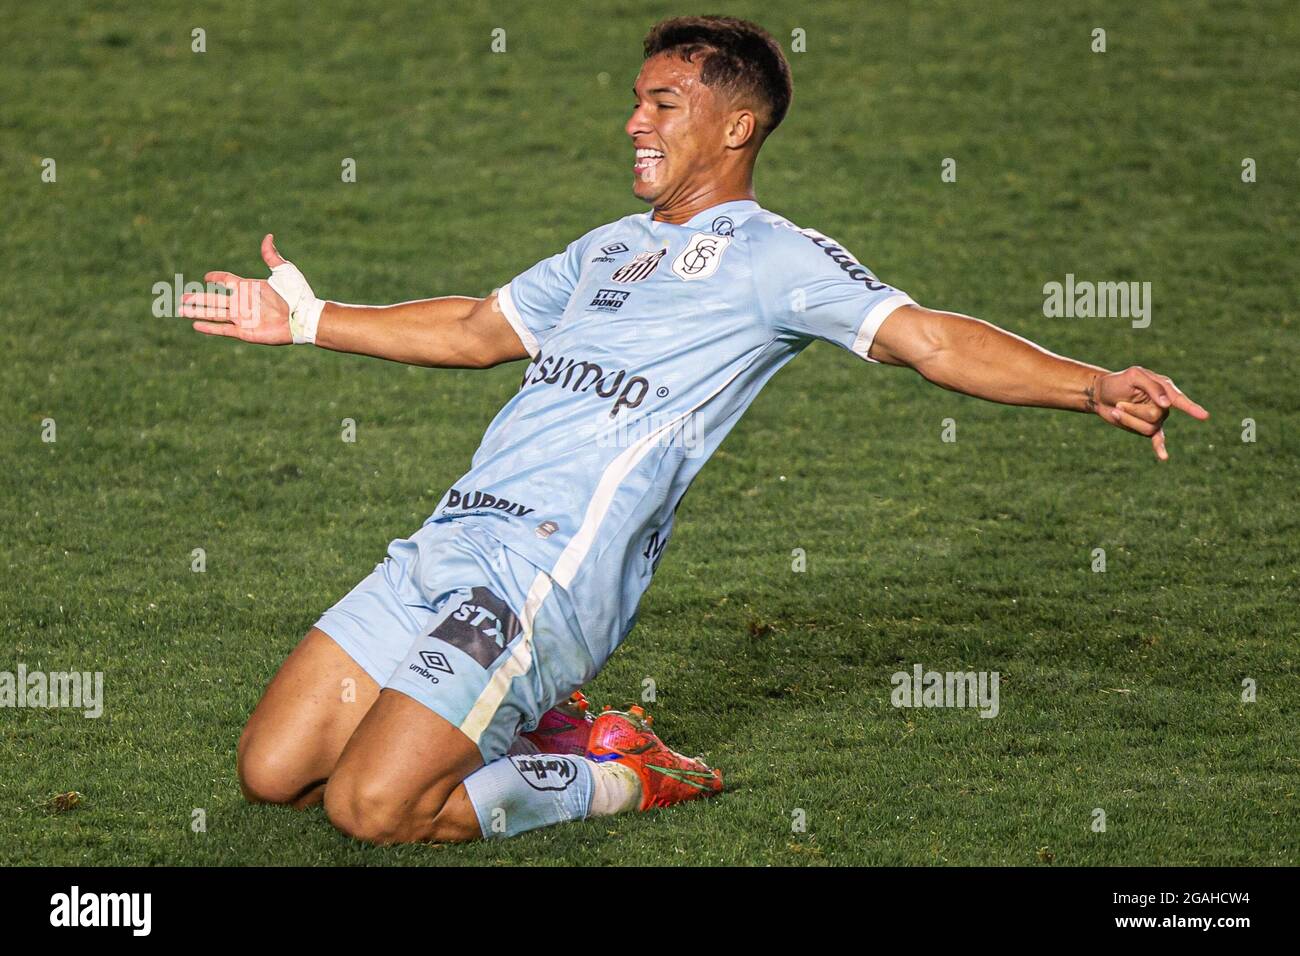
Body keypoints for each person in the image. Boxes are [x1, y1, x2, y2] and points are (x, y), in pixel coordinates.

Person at [180, 16, 1208, 844]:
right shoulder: (607, 247)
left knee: (375, 808)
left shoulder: (774, 257)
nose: (634, 121)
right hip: (447, 541)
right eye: (634, 100)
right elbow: (477, 327)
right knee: (273, 773)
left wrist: (1089, 384)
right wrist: (306, 319)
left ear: (734, 130)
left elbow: (929, 339)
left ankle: (617, 775)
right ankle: (539, 719)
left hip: (541, 575)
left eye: (663, 104)